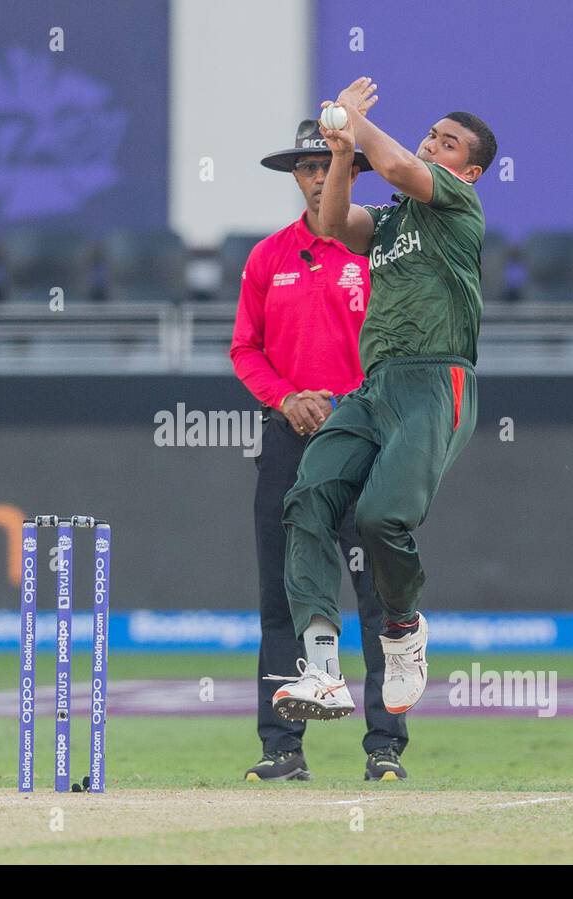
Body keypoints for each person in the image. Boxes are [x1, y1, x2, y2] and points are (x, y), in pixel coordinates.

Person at [269, 79, 497, 733]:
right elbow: (333, 224)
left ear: (470, 169)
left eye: (446, 143)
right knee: (308, 493)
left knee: (380, 518)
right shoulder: (394, 221)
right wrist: (341, 151)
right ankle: (320, 668)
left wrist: (355, 122)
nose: (431, 144)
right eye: (431, 134)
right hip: (375, 389)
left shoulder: (457, 204)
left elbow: (397, 164)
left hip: (437, 382)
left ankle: (403, 629)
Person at [230, 120, 410, 782]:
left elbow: (401, 348)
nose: (316, 176)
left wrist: (351, 405)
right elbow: (244, 349)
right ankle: (283, 744)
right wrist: (286, 399)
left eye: (327, 164)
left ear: (350, 173)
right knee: (283, 596)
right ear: (296, 176)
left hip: (363, 439)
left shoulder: (377, 253)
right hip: (290, 441)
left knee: (379, 598)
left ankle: (384, 745)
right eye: (306, 166)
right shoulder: (267, 257)